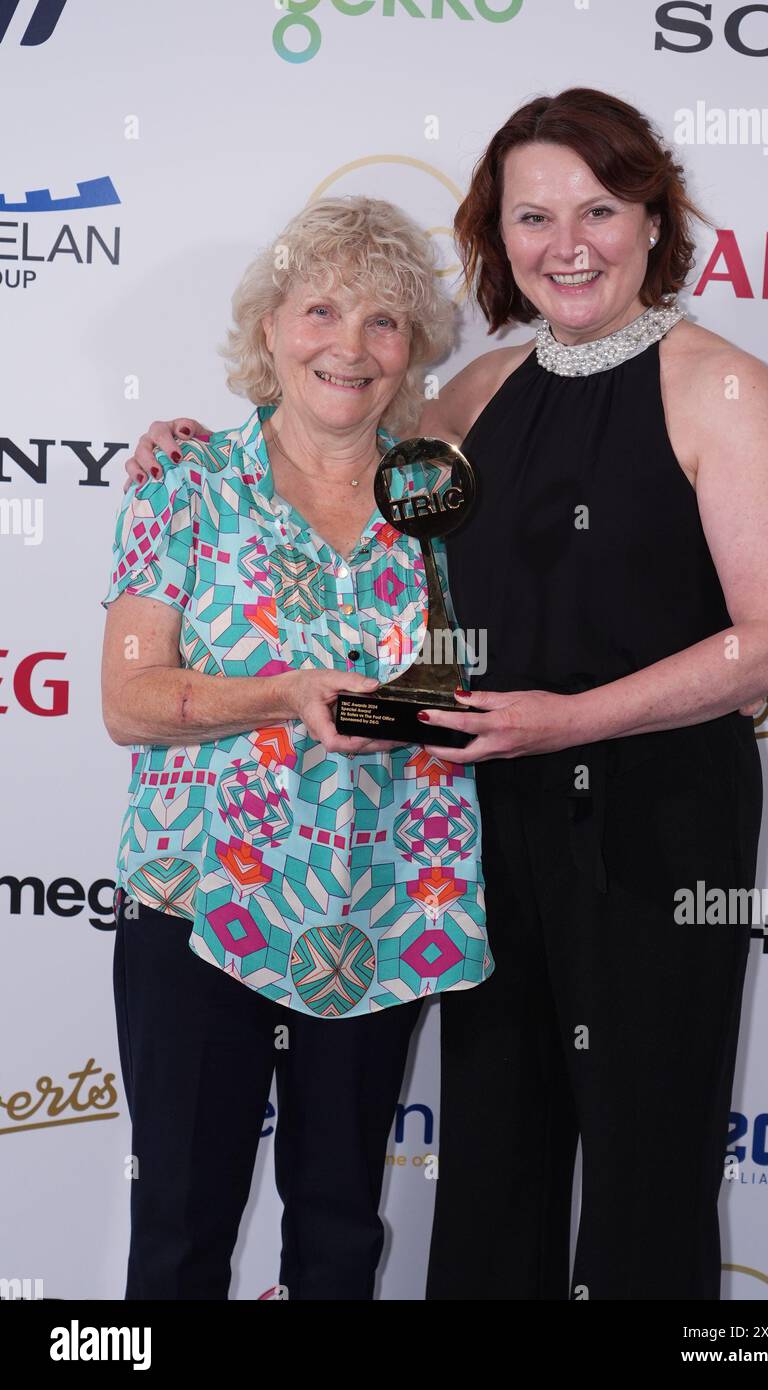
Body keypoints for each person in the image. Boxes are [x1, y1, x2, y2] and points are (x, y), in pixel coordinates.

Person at [128, 88, 768, 1301]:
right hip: (477, 828)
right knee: (493, 1154)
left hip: (655, 823)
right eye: (532, 215)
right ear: (496, 238)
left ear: (653, 217)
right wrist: (182, 446)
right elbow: (324, 431)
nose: (568, 242)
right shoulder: (479, 398)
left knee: (645, 1158)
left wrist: (571, 720)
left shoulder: (722, 387)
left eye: (599, 209)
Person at [101, 195, 493, 1301]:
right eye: (319, 308)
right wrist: (282, 694)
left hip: (379, 903)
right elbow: (129, 700)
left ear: (411, 350)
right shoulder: (182, 481)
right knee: (177, 1226)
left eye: (383, 322)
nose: (349, 345)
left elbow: (465, 680)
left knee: (336, 1228)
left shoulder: (444, 497)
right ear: (268, 327)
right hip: (199, 901)